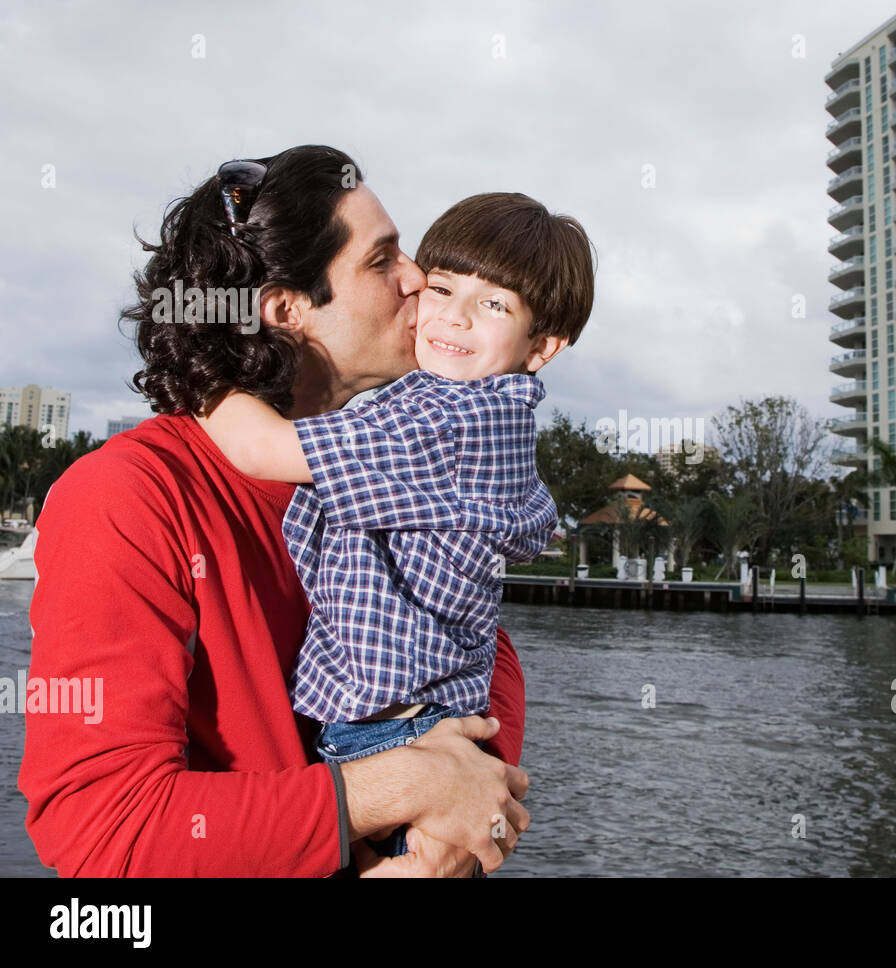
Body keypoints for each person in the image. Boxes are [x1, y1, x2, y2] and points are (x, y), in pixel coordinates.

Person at [19, 145, 529, 877]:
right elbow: (104, 832)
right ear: (287, 310)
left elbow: (484, 640)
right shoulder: (127, 496)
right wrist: (407, 786)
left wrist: (461, 807)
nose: (419, 277)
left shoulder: (381, 462)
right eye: (383, 259)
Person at [197, 192, 596, 856]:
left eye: (494, 305)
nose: (454, 317)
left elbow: (260, 450)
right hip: (420, 719)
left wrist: (195, 365)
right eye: (442, 287)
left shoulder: (444, 421)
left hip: (387, 733)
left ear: (543, 345)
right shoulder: (472, 407)